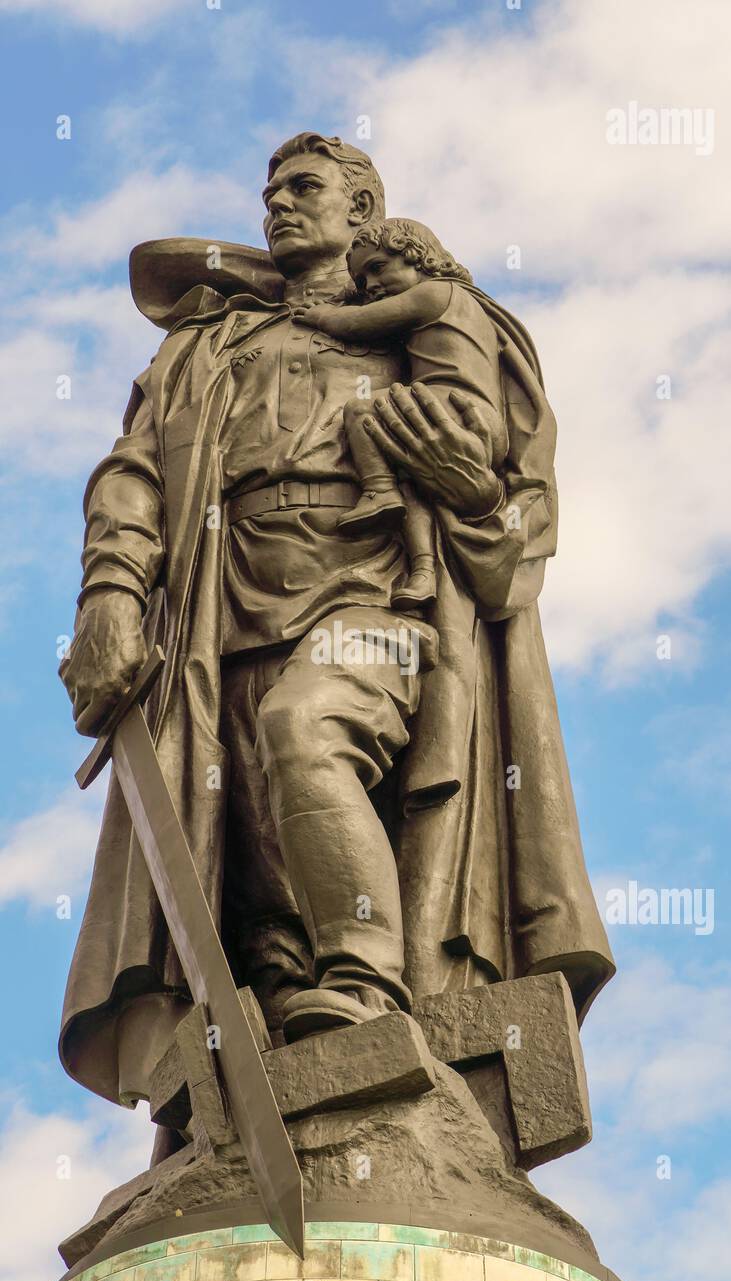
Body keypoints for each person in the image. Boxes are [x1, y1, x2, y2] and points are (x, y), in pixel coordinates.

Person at [58, 133, 614, 1150]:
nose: (278, 205)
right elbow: (132, 473)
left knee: (305, 727)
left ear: (363, 210)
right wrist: (110, 591)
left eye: (304, 188)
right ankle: (273, 1087)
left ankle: (365, 981)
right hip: (219, 618)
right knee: (250, 859)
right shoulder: (205, 345)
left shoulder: (432, 314)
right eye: (269, 192)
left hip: (379, 603)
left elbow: (507, 500)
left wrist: (473, 491)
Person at [293, 217, 507, 610]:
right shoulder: (473, 306)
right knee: (416, 483)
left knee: (362, 411)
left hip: (446, 406)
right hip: (482, 424)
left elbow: (360, 323)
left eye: (378, 269)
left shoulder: (434, 294)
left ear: (418, 258)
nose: (371, 286)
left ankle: (378, 490)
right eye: (361, 281)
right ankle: (423, 572)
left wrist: (322, 315)